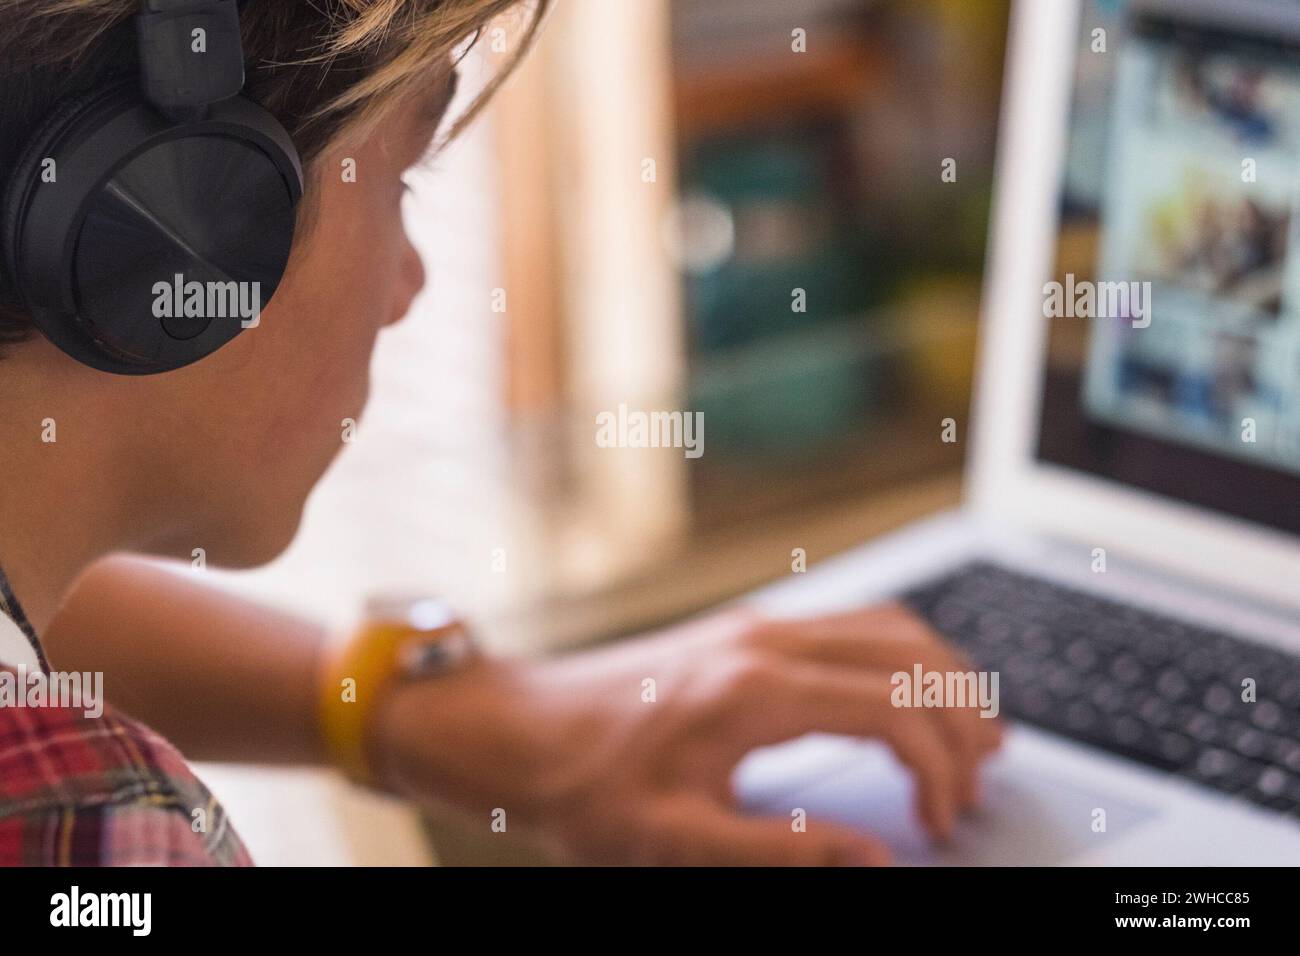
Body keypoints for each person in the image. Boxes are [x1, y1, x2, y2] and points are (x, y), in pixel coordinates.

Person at [0, 0, 1000, 867]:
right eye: (399, 182)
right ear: (181, 231)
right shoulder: (88, 822)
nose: (409, 289)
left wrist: (446, 715)